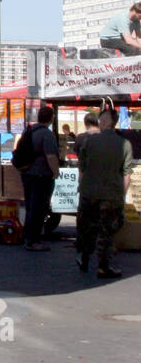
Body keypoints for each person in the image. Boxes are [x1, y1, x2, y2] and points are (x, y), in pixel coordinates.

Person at [76, 107, 134, 279]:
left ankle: (84, 258)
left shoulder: (90, 142)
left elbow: (82, 169)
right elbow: (126, 174)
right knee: (106, 231)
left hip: (89, 193)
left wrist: (83, 188)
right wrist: (121, 196)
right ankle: (103, 266)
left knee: (87, 228)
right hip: (111, 195)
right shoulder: (124, 144)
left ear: (104, 122)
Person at [19, 106, 60, 252]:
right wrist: (56, 172)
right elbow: (51, 156)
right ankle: (33, 240)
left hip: (27, 173)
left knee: (31, 207)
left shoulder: (28, 131)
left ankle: (27, 237)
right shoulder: (47, 134)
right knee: (39, 208)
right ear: (51, 118)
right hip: (42, 176)